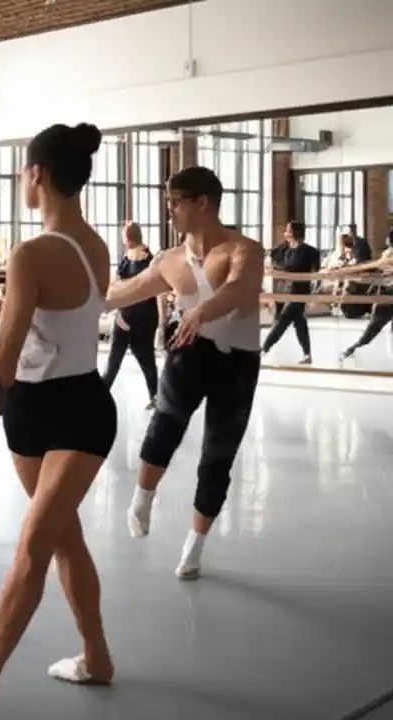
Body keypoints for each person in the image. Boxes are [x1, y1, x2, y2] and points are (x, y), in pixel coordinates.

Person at [0, 124, 117, 719]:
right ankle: (97, 658)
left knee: (33, 545)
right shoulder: (96, 245)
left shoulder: (33, 252)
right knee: (64, 540)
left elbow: (2, 357)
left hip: (68, 414)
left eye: (23, 170)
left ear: (37, 173)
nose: (23, 179)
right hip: (47, 408)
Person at [104, 165, 264, 581]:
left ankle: (195, 545)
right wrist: (64, 298)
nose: (169, 210)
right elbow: (123, 292)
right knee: (164, 427)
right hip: (188, 352)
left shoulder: (243, 249)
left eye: (175, 202)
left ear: (202, 203)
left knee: (217, 456)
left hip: (237, 363)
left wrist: (200, 311)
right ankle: (142, 498)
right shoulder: (169, 260)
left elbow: (239, 289)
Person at [101, 221, 159, 408]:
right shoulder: (149, 258)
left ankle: (98, 398)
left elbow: (120, 288)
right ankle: (156, 397)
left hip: (130, 317)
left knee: (115, 360)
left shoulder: (138, 259)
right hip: (142, 317)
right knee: (145, 358)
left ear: (127, 237)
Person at [261, 220, 318, 364]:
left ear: (293, 233)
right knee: (299, 323)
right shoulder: (286, 249)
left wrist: (314, 295)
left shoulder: (308, 251)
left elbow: (297, 269)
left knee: (283, 320)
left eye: (287, 230)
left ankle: (264, 348)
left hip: (300, 292)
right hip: (288, 291)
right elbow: (276, 259)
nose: (285, 233)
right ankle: (307, 354)